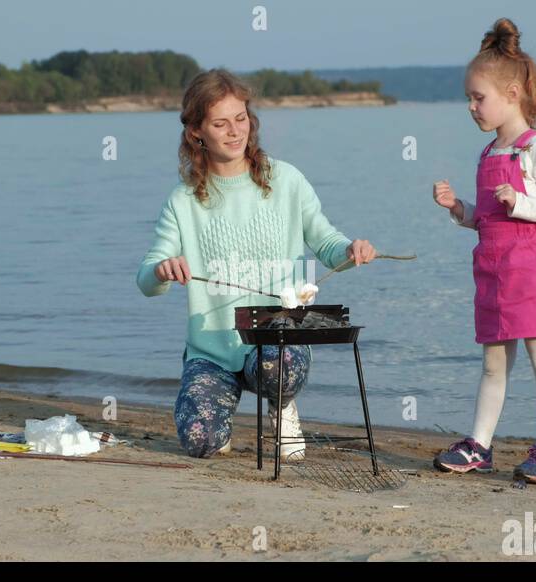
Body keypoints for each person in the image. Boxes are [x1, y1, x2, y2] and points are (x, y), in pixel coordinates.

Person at [137, 69, 377, 459]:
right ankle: (221, 417)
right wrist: (162, 269)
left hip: (274, 340)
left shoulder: (286, 180)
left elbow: (327, 243)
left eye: (241, 118)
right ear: (197, 132)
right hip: (212, 351)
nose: (234, 131)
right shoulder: (183, 201)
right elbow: (146, 279)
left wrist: (351, 250)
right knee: (202, 443)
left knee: (279, 366)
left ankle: (281, 406)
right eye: (220, 123)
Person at [432, 18, 536, 484]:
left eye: (479, 98)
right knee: (494, 362)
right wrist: (459, 208)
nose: (472, 107)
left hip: (534, 269)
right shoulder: (488, 152)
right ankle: (479, 445)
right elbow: (487, 218)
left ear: (512, 94)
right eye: (469, 99)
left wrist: (523, 202)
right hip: (493, 270)